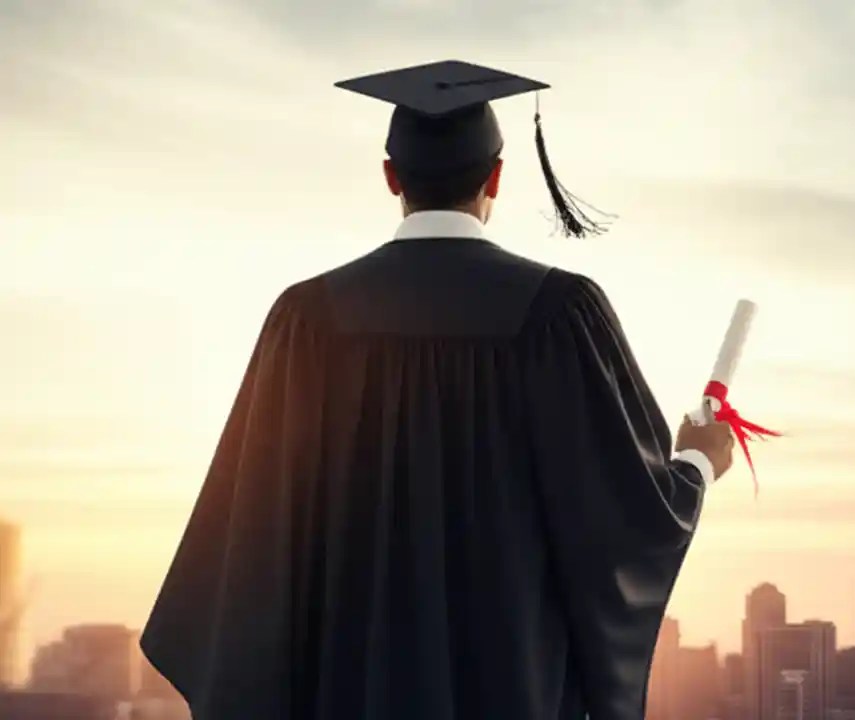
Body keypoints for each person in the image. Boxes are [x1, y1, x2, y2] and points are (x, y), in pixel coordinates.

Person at [139, 59, 736, 720]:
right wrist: (697, 461)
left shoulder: (305, 321)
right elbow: (625, 519)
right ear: (498, 178)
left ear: (391, 177)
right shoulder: (559, 313)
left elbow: (244, 539)